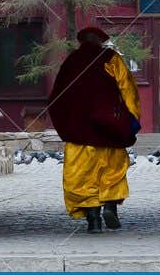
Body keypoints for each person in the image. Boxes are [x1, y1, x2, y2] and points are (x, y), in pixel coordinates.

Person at [48, 25, 140, 233]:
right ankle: (110, 206)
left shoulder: (71, 62)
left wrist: (65, 123)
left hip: (80, 133)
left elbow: (57, 97)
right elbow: (128, 89)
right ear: (100, 41)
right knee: (112, 171)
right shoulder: (111, 59)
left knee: (82, 176)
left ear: (82, 42)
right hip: (110, 129)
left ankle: (94, 221)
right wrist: (131, 120)